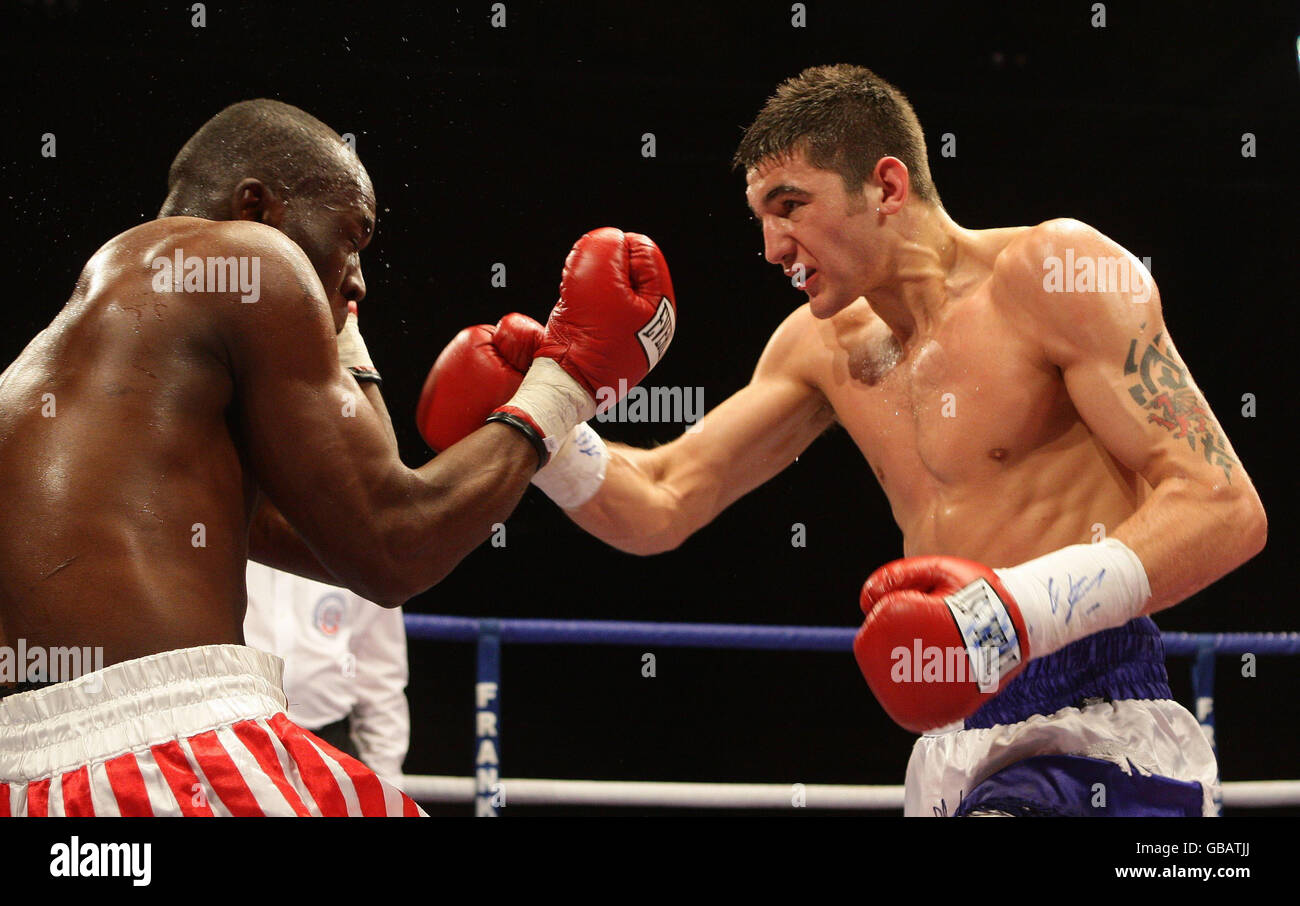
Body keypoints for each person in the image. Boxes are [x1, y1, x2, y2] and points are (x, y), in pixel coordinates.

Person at [417, 65, 1266, 817]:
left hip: (1095, 721)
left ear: (887, 186)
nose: (771, 245)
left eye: (791, 207)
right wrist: (547, 424)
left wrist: (1008, 615)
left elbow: (1224, 508)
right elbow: (662, 503)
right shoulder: (819, 347)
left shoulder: (1053, 272)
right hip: (948, 736)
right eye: (760, 217)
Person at [0, 98, 675, 816]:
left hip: (39, 780)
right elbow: (396, 544)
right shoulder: (242, 255)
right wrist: (566, 380)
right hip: (165, 750)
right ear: (256, 208)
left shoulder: (94, 376)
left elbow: (355, 552)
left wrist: (346, 337)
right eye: (350, 237)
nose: (358, 276)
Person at [244, 561, 411, 787]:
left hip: (329, 744)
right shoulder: (222, 542)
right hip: (234, 743)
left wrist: (386, 780)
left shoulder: (357, 547)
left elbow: (380, 677)